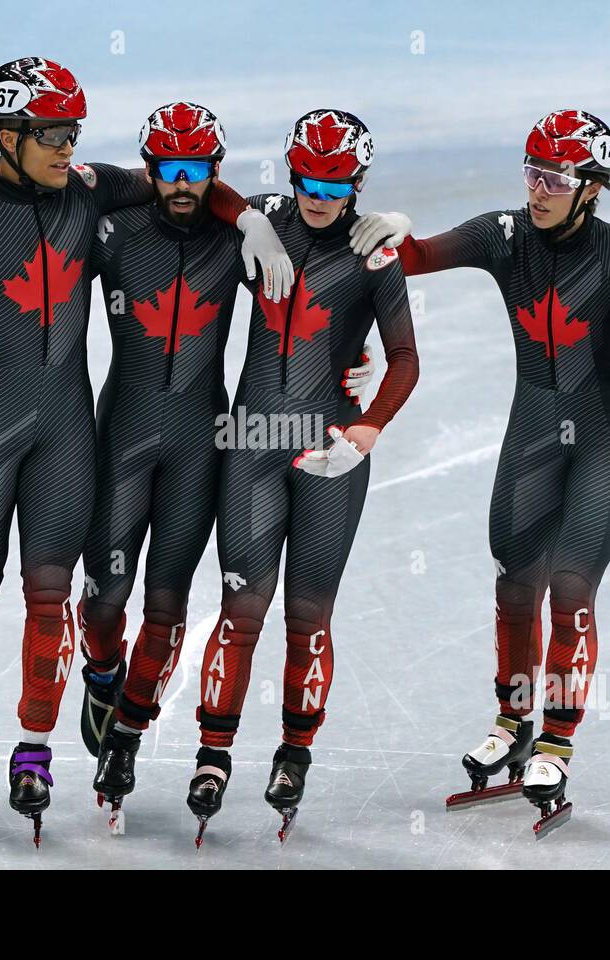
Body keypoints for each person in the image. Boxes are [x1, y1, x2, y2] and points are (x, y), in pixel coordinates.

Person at [0, 102, 374, 833]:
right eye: (168, 169)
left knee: (167, 605)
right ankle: (104, 676)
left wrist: (351, 358)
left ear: (215, 170)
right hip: (120, 437)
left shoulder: (233, 233)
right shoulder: (114, 231)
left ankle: (123, 739)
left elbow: (313, 291)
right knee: (105, 599)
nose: (182, 184)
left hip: (200, 443)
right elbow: (34, 264)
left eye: (197, 169)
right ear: (150, 169)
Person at [0, 58, 291, 846]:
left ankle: (35, 748)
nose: (66, 145)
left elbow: (176, 186)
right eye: (52, 133)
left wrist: (249, 219)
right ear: (7, 135)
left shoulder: (90, 191)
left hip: (69, 432)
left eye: (72, 132)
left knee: (52, 597)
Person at [349, 108, 610, 836]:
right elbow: (420, 256)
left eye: (554, 177)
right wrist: (397, 231)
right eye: (531, 173)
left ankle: (556, 738)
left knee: (570, 586)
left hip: (605, 439)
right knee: (513, 577)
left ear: (591, 186)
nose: (538, 190)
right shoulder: (505, 236)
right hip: (533, 429)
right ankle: (511, 720)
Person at [187, 109, 420, 845]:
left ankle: (295, 750)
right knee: (240, 607)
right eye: (308, 178)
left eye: (337, 181)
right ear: (291, 173)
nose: (320, 194)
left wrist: (367, 428)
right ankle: (213, 751)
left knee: (307, 615)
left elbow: (406, 359)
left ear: (357, 182)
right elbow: (196, 183)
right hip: (253, 442)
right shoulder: (262, 221)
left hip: (330, 451)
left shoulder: (371, 252)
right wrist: (251, 220)